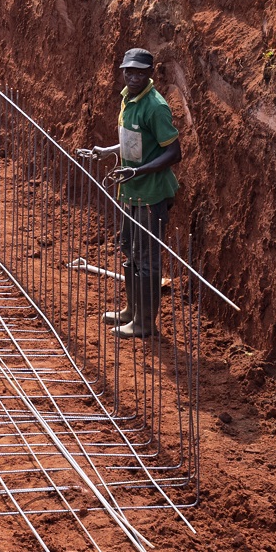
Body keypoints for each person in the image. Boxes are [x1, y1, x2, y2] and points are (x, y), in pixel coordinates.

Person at [76, 48, 181, 340]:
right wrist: (107, 151)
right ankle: (131, 312)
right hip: (131, 190)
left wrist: (139, 171)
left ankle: (145, 323)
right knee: (129, 250)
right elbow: (132, 142)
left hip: (151, 194)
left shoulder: (156, 107)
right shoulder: (127, 99)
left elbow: (174, 152)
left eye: (139, 71)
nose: (132, 76)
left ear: (150, 73)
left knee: (147, 260)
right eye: (128, 71)